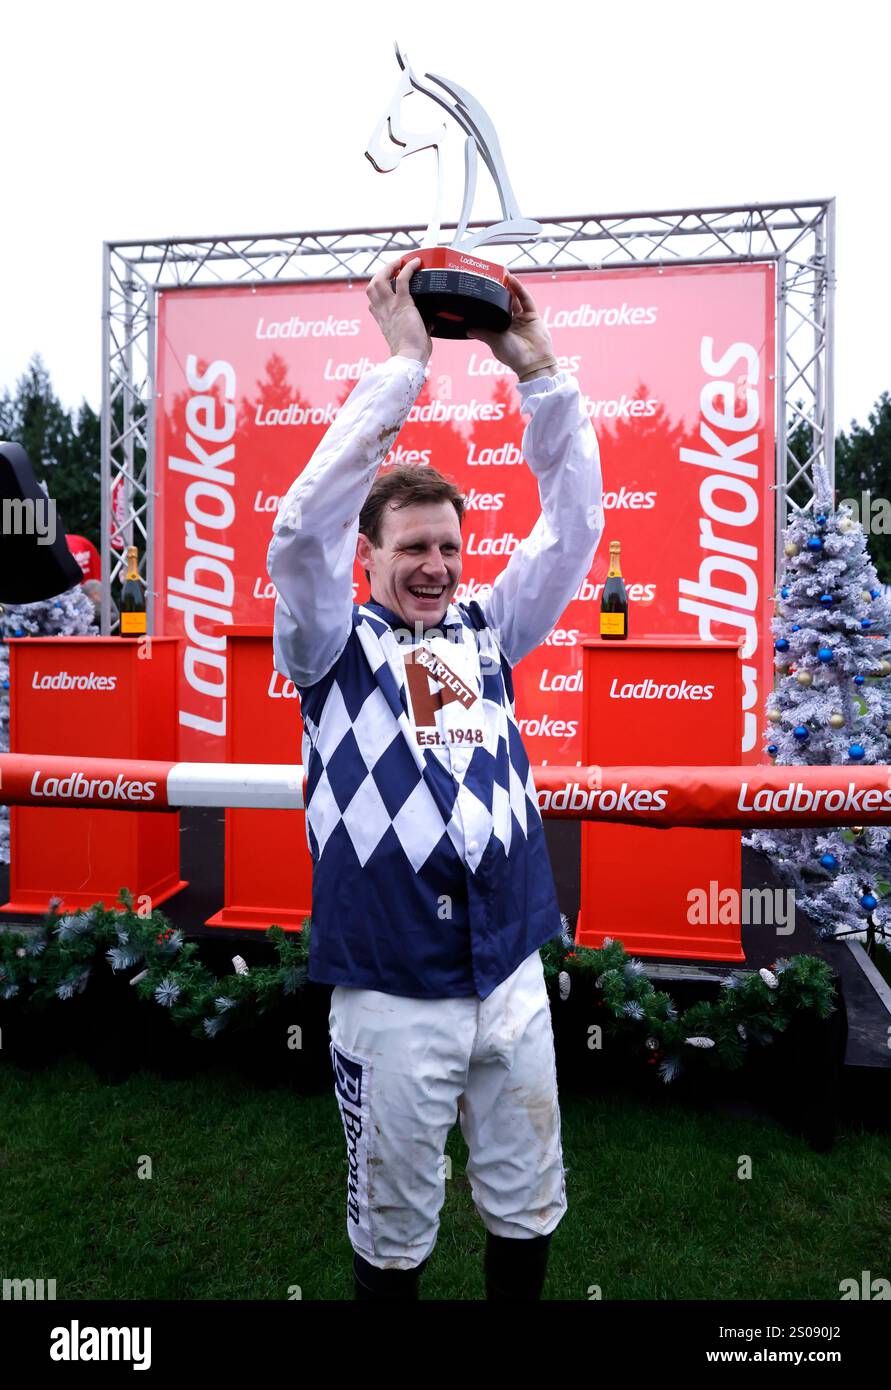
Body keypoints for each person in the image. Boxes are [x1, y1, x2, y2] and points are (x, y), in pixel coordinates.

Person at [266, 255, 603, 1300]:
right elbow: (294, 533)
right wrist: (404, 367)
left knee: (527, 1199)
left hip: (508, 975)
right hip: (391, 991)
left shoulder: (489, 627)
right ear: (367, 557)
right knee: (395, 1233)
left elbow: (576, 524)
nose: (436, 565)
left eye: (449, 547)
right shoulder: (327, 643)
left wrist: (539, 370)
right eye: (412, 546)